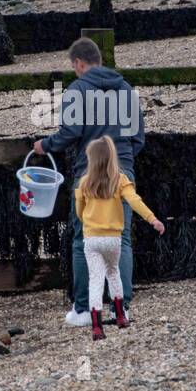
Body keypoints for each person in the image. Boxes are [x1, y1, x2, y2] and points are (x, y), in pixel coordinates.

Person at [34, 36, 145, 327]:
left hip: (88, 174)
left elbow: (70, 133)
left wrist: (45, 145)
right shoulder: (126, 90)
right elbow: (137, 139)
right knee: (121, 240)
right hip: (122, 171)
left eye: (74, 67)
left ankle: (83, 309)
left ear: (79, 63)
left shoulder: (76, 90)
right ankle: (122, 309)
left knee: (85, 240)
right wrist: (122, 161)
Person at [74, 137, 164, 340]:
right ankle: (121, 315)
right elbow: (134, 201)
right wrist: (153, 219)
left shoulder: (84, 183)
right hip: (113, 238)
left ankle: (97, 327)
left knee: (95, 280)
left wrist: (89, 220)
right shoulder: (120, 180)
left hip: (92, 239)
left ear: (91, 159)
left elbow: (79, 212)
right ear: (113, 158)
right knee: (113, 273)